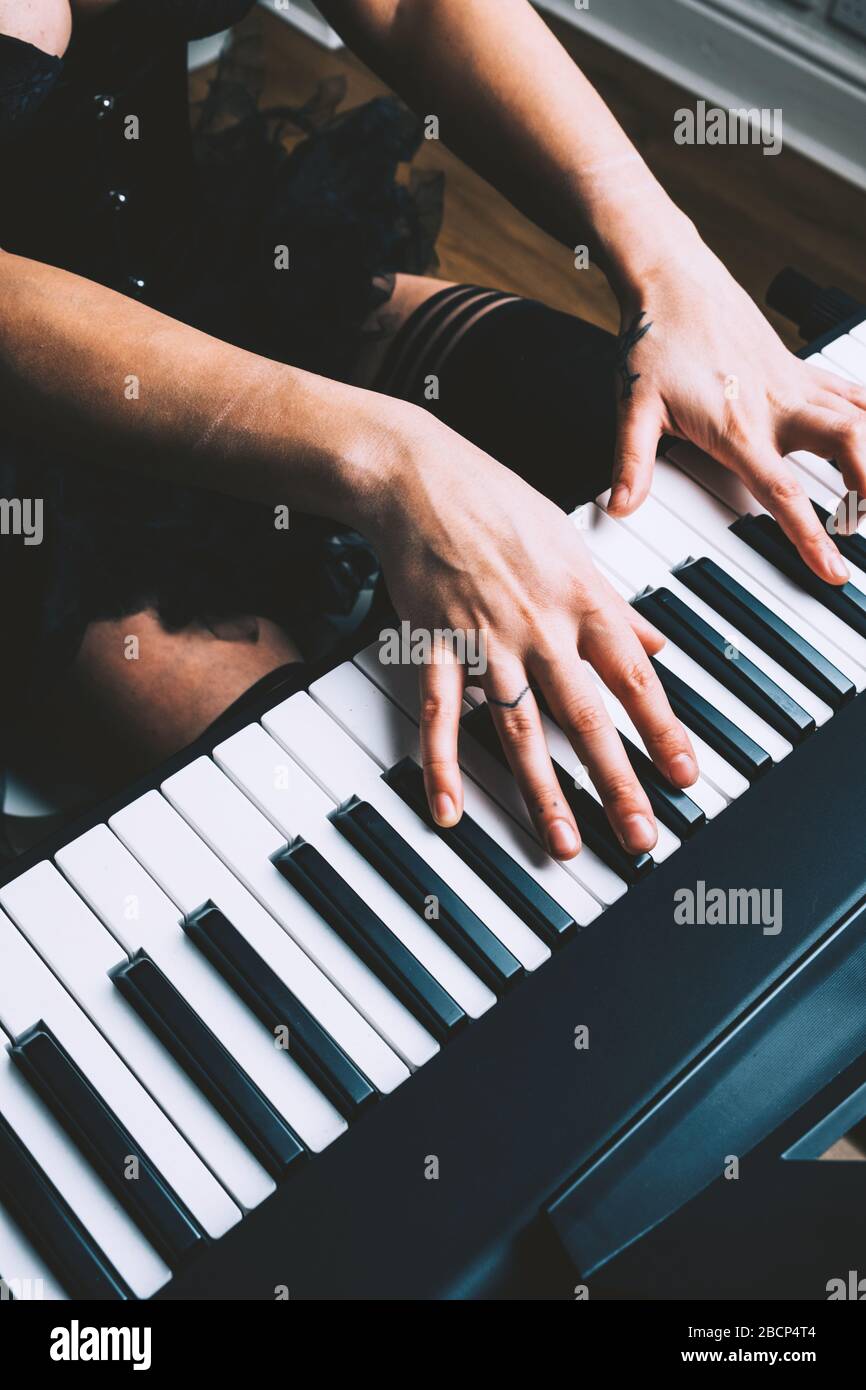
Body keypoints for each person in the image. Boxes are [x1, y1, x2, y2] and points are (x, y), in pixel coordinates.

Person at [0, 0, 863, 866]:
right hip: (31, 447)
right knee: (383, 818)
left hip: (206, 279)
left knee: (667, 445)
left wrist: (671, 263)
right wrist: (390, 461)